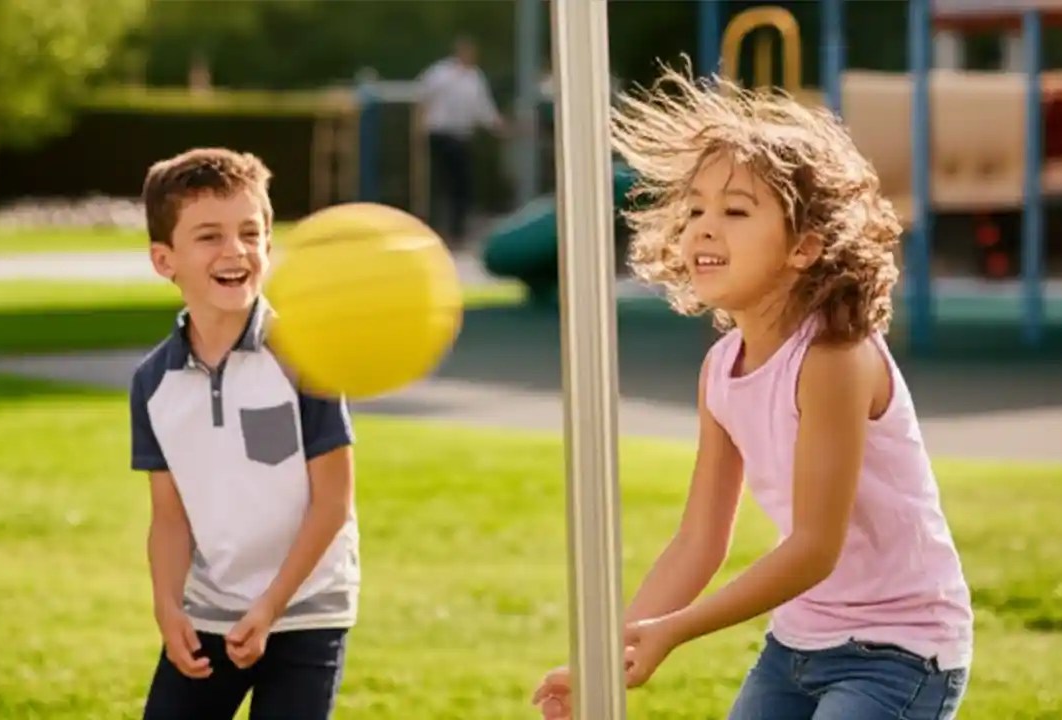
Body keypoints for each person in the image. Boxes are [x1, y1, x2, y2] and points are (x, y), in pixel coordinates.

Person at [531, 62, 973, 720]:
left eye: (736, 211)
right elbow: (698, 541)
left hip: (899, 653)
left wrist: (675, 630)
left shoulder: (833, 358)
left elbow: (814, 549)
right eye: (697, 210)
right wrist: (608, 654)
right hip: (795, 646)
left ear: (805, 247)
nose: (705, 228)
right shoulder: (721, 368)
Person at [130, 147, 358, 720]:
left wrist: (271, 605)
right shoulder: (153, 383)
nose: (235, 251)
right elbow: (169, 516)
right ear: (165, 259)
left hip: (306, 609)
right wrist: (167, 608)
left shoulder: (305, 357)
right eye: (209, 236)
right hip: (209, 611)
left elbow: (333, 502)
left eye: (250, 233)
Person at [416, 36, 507, 246]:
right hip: (441, 133)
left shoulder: (475, 78)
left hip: (462, 135)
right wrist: (421, 126)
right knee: (444, 181)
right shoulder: (440, 73)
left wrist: (497, 125)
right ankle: (439, 226)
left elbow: (483, 108)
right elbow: (423, 96)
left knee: (461, 184)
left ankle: (456, 230)